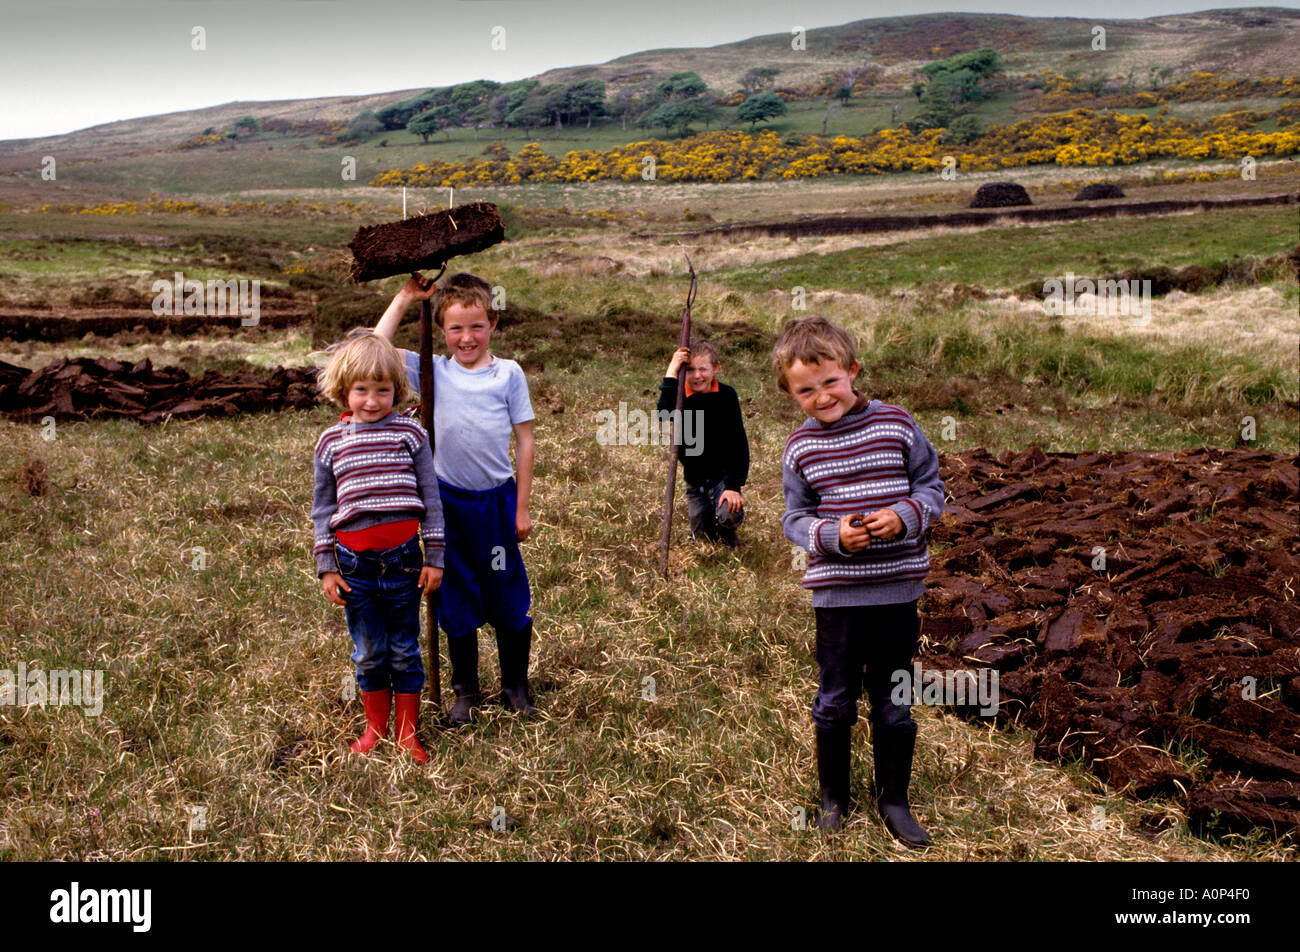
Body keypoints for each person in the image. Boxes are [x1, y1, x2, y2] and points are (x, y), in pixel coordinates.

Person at [773, 316, 944, 845]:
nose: (822, 397)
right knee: (835, 697)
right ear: (790, 393)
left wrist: (905, 515)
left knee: (894, 698)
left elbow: (933, 488)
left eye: (830, 382)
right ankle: (833, 799)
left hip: (896, 592)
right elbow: (793, 519)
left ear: (852, 370)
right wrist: (831, 535)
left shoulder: (897, 424)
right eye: (806, 390)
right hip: (837, 597)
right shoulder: (800, 448)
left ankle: (894, 799)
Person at [374, 272, 537, 725]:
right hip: (446, 508)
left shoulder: (508, 374)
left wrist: (521, 507)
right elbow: (373, 347)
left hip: (497, 507)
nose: (467, 338)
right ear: (442, 332)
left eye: (476, 326)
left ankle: (515, 688)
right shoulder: (432, 370)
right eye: (456, 328)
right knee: (455, 591)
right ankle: (466, 692)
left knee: (505, 588)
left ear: (494, 323)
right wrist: (407, 297)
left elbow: (525, 441)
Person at [311, 329, 444, 764]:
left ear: (397, 390)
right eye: (361, 390)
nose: (372, 401)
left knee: (405, 649)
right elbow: (323, 507)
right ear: (343, 391)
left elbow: (431, 496)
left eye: (383, 390)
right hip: (354, 567)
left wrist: (435, 557)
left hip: (405, 561)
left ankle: (409, 733)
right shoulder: (331, 442)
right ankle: (375, 727)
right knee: (369, 651)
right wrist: (327, 565)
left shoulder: (411, 433)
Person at [657, 339, 749, 549]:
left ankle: (728, 531)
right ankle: (708, 528)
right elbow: (663, 413)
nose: (697, 375)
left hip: (722, 477)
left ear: (716, 368)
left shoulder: (727, 395)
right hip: (694, 478)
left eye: (703, 369)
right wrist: (672, 369)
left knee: (728, 514)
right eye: (689, 370)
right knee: (701, 540)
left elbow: (738, 442)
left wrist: (733, 486)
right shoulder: (681, 398)